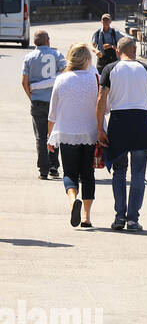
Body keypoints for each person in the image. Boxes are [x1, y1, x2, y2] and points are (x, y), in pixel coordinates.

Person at [96, 36, 147, 231]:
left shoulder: (110, 69)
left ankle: (119, 217)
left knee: (119, 172)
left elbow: (101, 99)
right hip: (140, 123)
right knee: (138, 173)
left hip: (118, 123)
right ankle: (133, 219)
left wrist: (100, 128)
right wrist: (145, 119)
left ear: (118, 52)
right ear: (135, 50)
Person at [47, 43, 99, 228]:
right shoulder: (95, 78)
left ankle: (72, 201)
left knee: (69, 173)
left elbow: (52, 113)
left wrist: (49, 137)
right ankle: (86, 216)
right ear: (87, 59)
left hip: (67, 132)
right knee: (88, 174)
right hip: (90, 133)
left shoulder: (61, 79)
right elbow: (104, 107)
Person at [21, 30, 66, 180]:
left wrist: (31, 96)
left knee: (40, 137)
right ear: (48, 41)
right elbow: (66, 70)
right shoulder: (57, 55)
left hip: (37, 102)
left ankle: (43, 170)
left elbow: (24, 82)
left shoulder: (28, 58)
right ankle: (54, 166)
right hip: (54, 101)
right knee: (54, 133)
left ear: (35, 42)